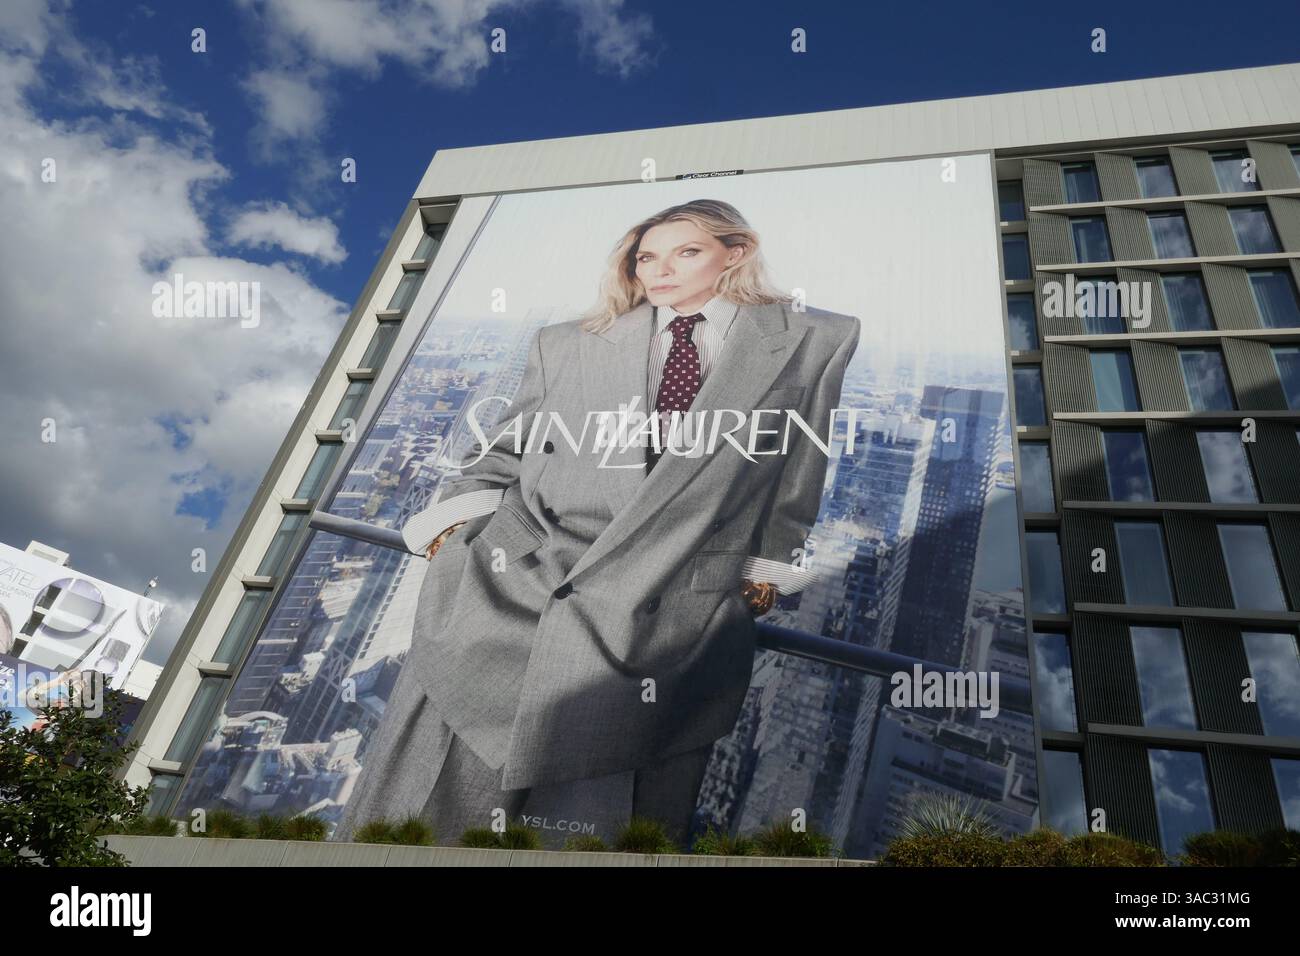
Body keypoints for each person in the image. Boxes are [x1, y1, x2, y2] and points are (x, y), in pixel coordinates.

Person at [334, 199, 859, 847]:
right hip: (505, 601)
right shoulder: (569, 342)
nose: (660, 271)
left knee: (598, 830)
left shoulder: (814, 339)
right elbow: (502, 452)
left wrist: (765, 562)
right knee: (423, 819)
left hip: (665, 624)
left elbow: (800, 466)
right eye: (647, 257)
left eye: (685, 252)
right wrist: (452, 532)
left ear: (737, 250)